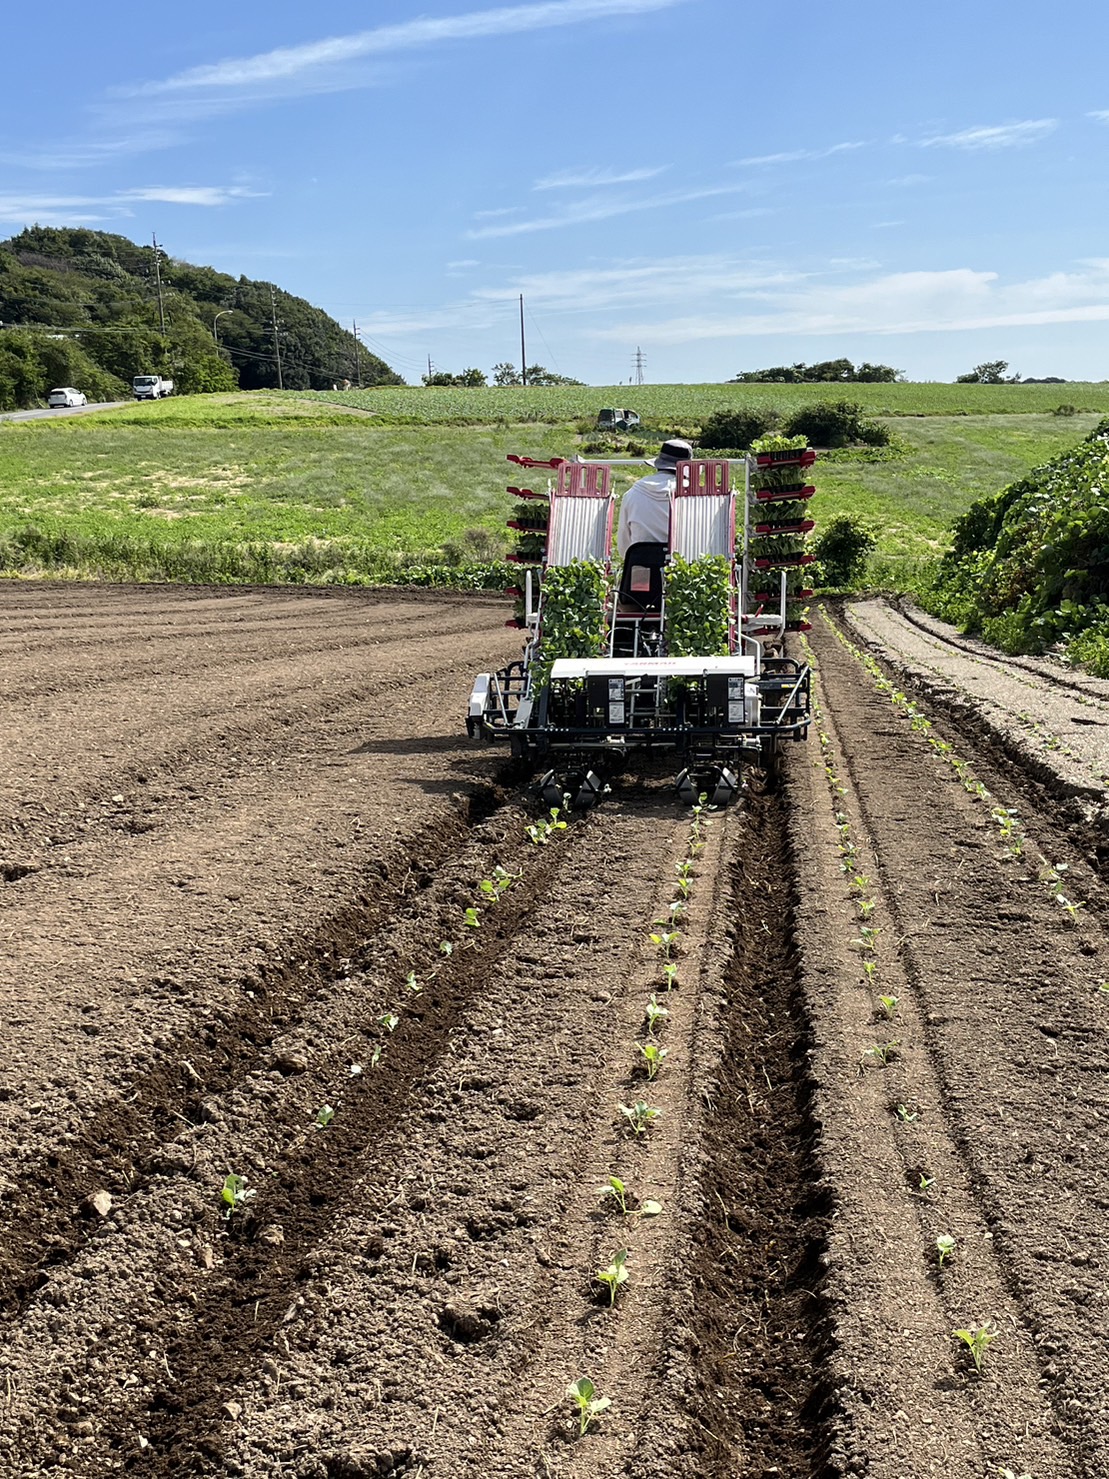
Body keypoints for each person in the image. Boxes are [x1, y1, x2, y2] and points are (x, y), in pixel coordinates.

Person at [615, 438, 693, 557]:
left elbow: (623, 546)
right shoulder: (693, 495)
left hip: (639, 571)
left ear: (658, 464)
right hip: (682, 571)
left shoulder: (632, 494)